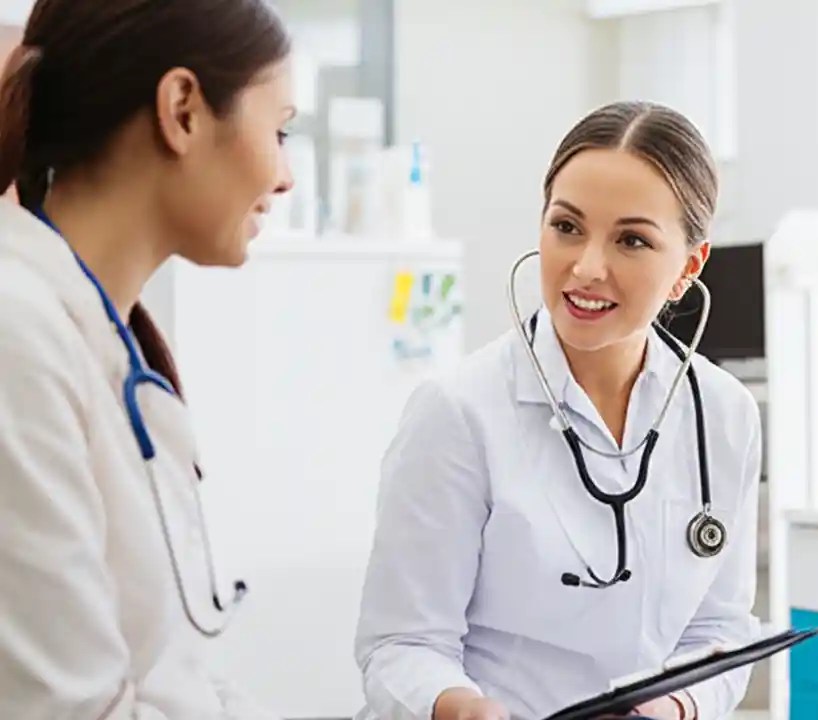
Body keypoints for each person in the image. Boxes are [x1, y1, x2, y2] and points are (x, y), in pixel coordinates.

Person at [354, 100, 762, 720]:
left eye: (631, 240)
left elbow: (719, 631)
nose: (587, 267)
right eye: (567, 227)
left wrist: (674, 708)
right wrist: (462, 708)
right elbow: (401, 645)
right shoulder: (458, 412)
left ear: (688, 266)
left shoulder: (724, 414)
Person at [0, 0, 295, 716]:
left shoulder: (98, 335)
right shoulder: (18, 334)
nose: (284, 176)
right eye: (280, 129)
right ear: (184, 109)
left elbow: (171, 675)